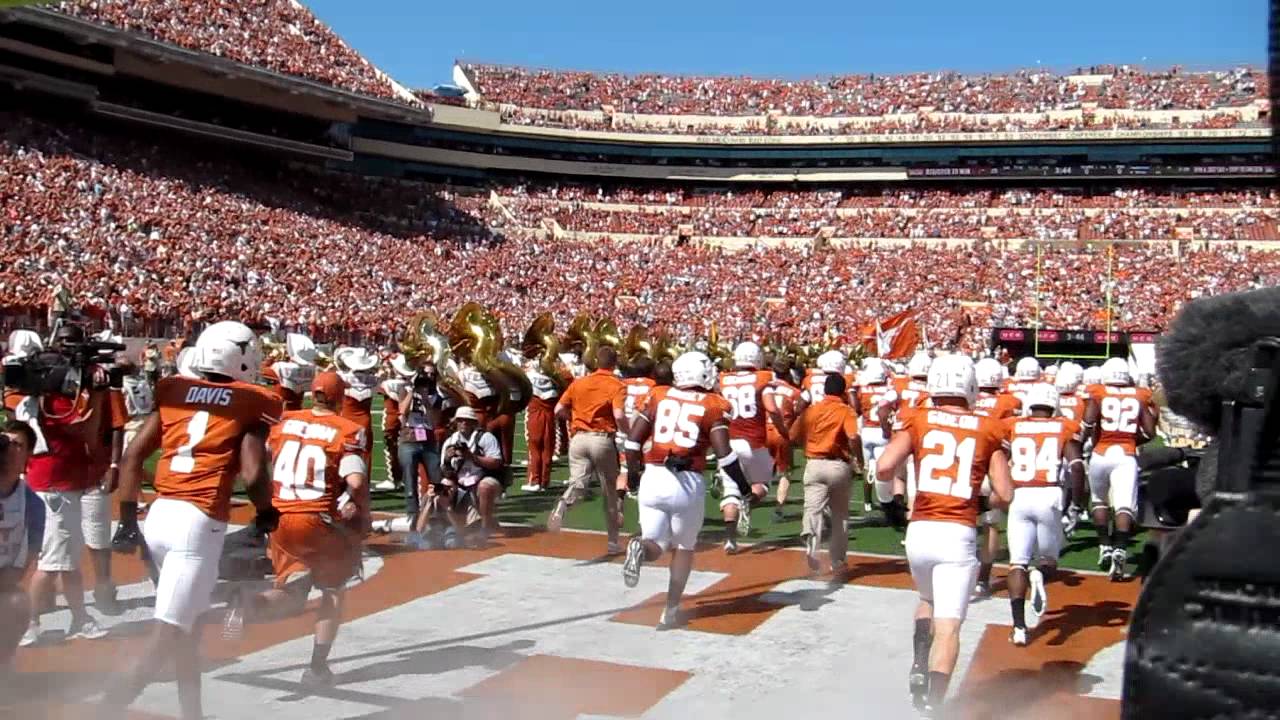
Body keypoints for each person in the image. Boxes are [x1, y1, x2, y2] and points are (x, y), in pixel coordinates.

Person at [105, 321, 282, 720]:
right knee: (167, 635)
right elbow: (254, 474)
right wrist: (267, 511)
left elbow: (133, 456)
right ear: (242, 358)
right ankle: (100, 712)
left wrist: (127, 520)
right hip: (197, 522)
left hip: (159, 514)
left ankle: (193, 714)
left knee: (187, 628)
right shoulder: (254, 400)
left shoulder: (173, 389)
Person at [877, 354, 1013, 716]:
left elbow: (884, 466)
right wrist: (979, 502)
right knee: (949, 628)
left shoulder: (917, 418)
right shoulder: (987, 427)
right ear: (969, 386)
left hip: (920, 530)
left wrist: (889, 504)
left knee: (927, 599)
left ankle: (920, 663)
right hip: (958, 533)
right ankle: (934, 706)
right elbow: (1006, 493)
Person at [223, 371, 368, 686]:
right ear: (340, 397)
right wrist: (351, 502)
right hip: (318, 519)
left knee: (289, 592)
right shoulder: (349, 429)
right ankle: (317, 668)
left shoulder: (283, 421)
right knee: (332, 591)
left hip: (280, 517)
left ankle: (248, 604)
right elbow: (354, 481)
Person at [621, 351, 747, 630]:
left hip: (653, 477)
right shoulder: (714, 404)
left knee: (654, 543)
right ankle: (670, 610)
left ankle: (639, 547)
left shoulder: (658, 395)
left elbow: (632, 442)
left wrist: (633, 476)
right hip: (687, 482)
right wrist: (744, 487)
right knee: (684, 549)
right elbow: (725, 455)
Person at [18, 325, 110, 647]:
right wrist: (97, 398)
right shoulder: (52, 401)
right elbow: (86, 432)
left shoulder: (33, 397)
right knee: (52, 562)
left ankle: (79, 617)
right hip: (55, 484)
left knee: (66, 559)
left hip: (51, 481)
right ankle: (28, 622)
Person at [1002, 383, 1083, 646]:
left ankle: (1019, 627)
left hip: (1020, 495)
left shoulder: (1014, 425)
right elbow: (1076, 468)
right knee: (1048, 562)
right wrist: (1076, 504)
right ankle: (1040, 576)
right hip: (1049, 495)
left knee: (1017, 563)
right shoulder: (1063, 426)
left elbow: (1001, 458)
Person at [1083, 357, 1157, 581]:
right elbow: (1150, 431)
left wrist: (1086, 441)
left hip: (1100, 452)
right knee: (1124, 505)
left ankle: (1105, 545)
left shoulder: (1097, 391)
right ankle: (1121, 549)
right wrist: (1135, 441)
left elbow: (1088, 422)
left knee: (1099, 500)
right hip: (1126, 454)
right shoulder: (1141, 394)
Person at [549, 346, 625, 554]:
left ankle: (564, 503)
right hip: (601, 438)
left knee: (579, 483)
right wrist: (626, 433)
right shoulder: (616, 384)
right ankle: (612, 542)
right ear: (614, 363)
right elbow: (618, 415)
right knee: (609, 492)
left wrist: (575, 419)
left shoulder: (579, 382)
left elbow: (558, 410)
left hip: (578, 438)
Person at [788, 373, 864, 576]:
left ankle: (812, 543)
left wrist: (811, 442)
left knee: (812, 509)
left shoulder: (812, 410)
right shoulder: (845, 411)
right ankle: (837, 560)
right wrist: (859, 460)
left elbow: (793, 435)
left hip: (814, 463)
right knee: (840, 515)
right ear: (843, 391)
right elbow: (853, 436)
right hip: (838, 464)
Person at [716, 342, 775, 554]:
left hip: (729, 442)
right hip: (755, 442)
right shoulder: (763, 377)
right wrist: (780, 426)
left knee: (730, 491)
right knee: (763, 483)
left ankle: (730, 540)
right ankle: (749, 501)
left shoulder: (723, 379)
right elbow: (771, 407)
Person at [1, 422, 43, 683]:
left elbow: (26, 559)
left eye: (18, 445)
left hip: (2, 577)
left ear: (28, 455)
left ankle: (3, 664)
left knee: (17, 604)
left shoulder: (32, 505)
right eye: (5, 443)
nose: (9, 450)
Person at [436, 406, 504, 548]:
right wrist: (449, 460)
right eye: (460, 420)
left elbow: (496, 462)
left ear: (474, 422)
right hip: (460, 482)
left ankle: (485, 527)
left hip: (484, 478)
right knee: (443, 485)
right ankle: (446, 525)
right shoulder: (450, 441)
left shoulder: (485, 438)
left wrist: (472, 457)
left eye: (467, 420)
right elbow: (445, 471)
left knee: (485, 486)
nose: (463, 423)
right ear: (456, 423)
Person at [397, 360, 448, 548]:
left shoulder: (437, 395)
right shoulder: (406, 389)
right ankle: (413, 524)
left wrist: (426, 397)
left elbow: (434, 420)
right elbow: (402, 411)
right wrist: (414, 389)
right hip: (408, 438)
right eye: (426, 374)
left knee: (436, 481)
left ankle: (437, 520)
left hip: (428, 440)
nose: (429, 378)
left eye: (432, 374)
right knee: (410, 483)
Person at [764, 356, 799, 521]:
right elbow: (798, 413)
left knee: (762, 471)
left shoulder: (764, 388)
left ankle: (747, 499)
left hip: (764, 431)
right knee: (786, 472)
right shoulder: (794, 392)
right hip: (781, 432)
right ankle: (778, 509)